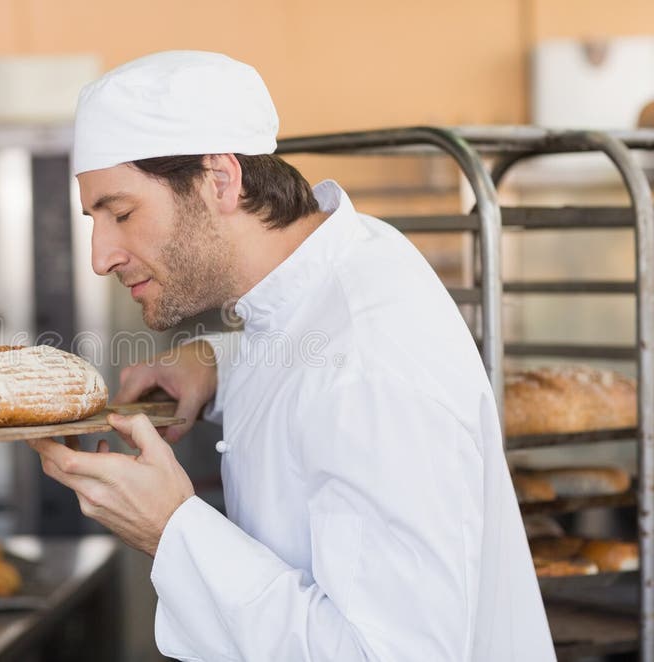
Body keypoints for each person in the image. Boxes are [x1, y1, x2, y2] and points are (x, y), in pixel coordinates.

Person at [27, 50, 555, 661]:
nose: (101, 256)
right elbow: (302, 344)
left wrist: (173, 529)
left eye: (121, 213)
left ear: (219, 179)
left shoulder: (371, 361)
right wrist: (218, 362)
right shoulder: (339, 265)